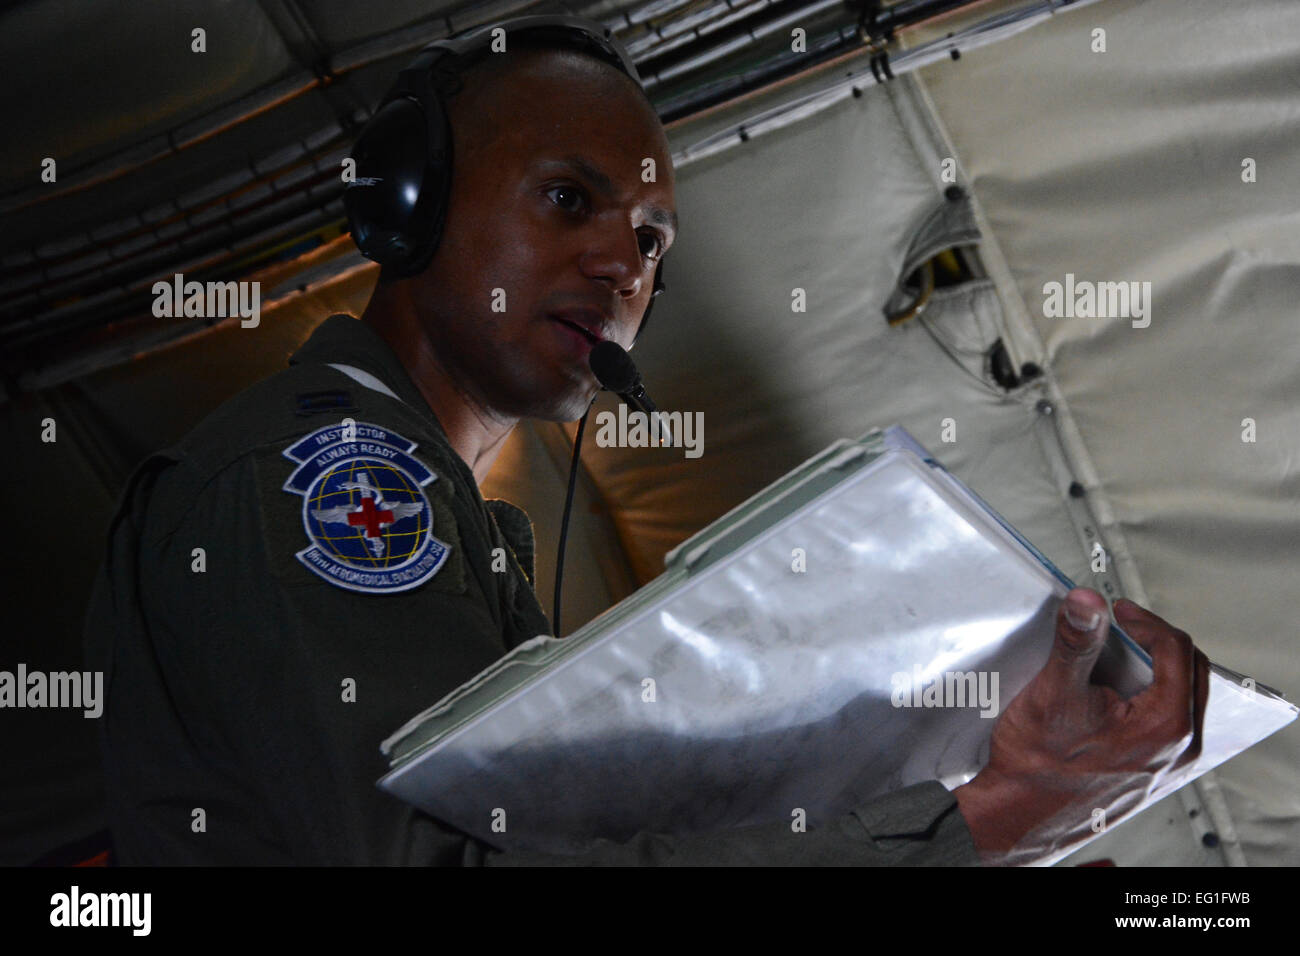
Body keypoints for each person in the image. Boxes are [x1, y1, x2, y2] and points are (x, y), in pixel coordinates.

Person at [83, 24, 1208, 866]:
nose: (624, 268)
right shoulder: (328, 483)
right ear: (407, 203)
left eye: (650, 238)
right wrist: (986, 813)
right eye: (568, 198)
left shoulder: (458, 537)